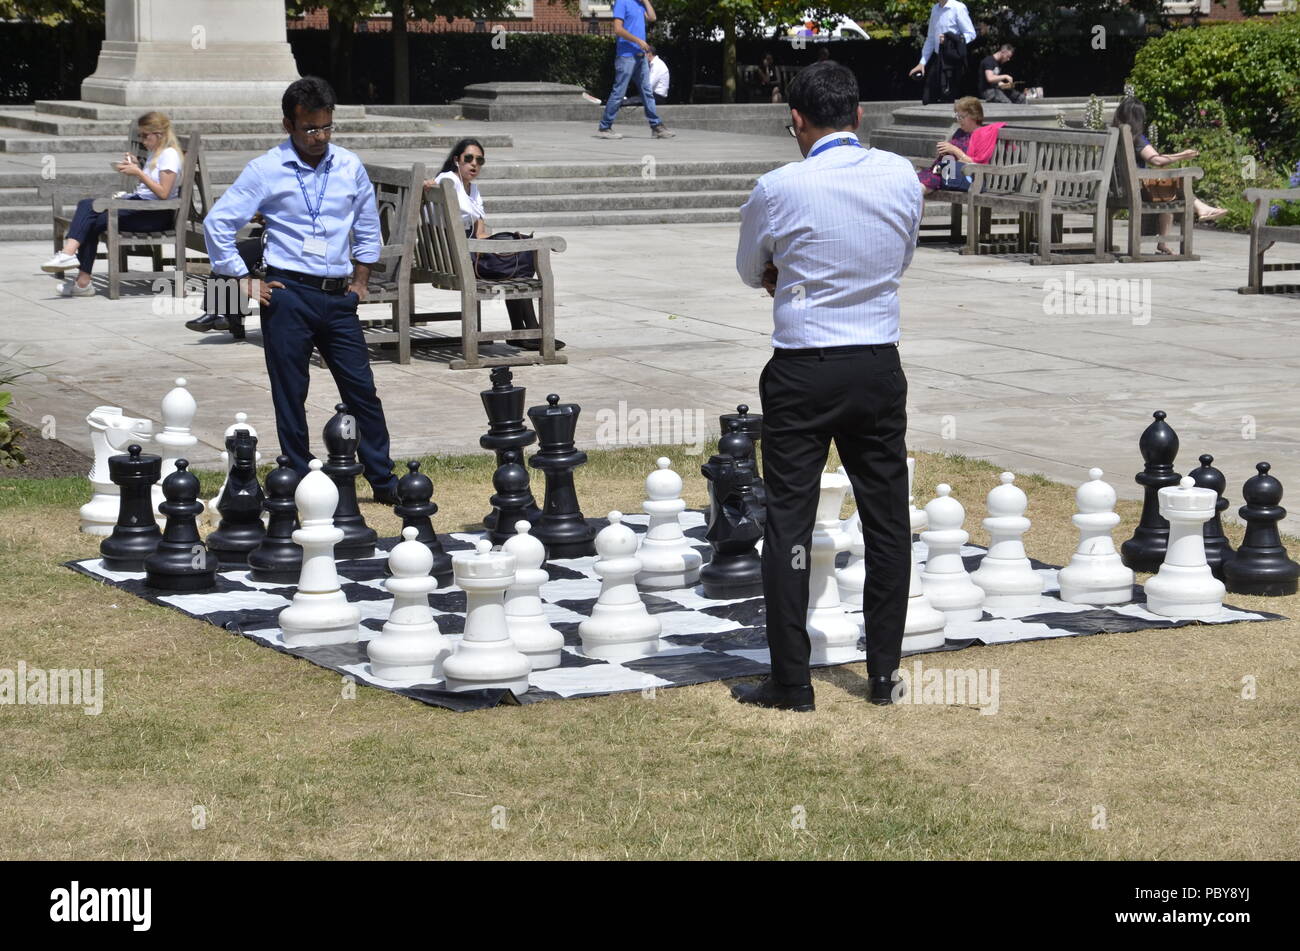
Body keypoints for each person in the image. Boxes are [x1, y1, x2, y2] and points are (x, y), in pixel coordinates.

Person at [733, 61, 922, 712]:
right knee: (887, 519)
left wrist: (786, 277)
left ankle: (791, 684)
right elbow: (900, 257)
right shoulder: (900, 174)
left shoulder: (778, 184)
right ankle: (883, 674)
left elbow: (748, 268)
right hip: (875, 361)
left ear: (796, 121)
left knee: (787, 522)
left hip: (804, 364)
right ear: (859, 115)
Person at [203, 76, 399, 503]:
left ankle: (384, 479)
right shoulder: (265, 169)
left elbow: (367, 224)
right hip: (287, 293)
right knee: (291, 390)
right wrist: (242, 279)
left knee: (361, 389)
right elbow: (217, 223)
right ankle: (297, 474)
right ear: (288, 125)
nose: (320, 137)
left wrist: (362, 280)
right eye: (310, 129)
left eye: (327, 127)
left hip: (338, 295)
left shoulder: (348, 165)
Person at [423, 138, 564, 352]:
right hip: (455, 259)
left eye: (479, 160)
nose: (474, 164)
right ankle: (530, 331)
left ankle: (524, 332)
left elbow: (480, 232)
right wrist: (428, 185)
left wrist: (497, 249)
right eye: (468, 159)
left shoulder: (472, 189)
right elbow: (436, 186)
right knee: (519, 264)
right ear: (456, 160)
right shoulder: (447, 180)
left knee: (514, 260)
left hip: (463, 252)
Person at [40, 111, 183, 297]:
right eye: (140, 136)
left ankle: (74, 265)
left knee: (90, 213)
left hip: (155, 214)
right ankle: (77, 272)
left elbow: (163, 193)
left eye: (145, 136)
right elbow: (151, 187)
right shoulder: (156, 153)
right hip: (141, 206)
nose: (142, 140)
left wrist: (138, 174)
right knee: (88, 209)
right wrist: (137, 168)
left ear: (159, 134)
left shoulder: (169, 155)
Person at [1111, 97, 1227, 254]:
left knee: (1168, 188)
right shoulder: (1136, 138)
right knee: (1172, 190)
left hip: (1114, 190)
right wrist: (1183, 155)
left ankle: (1199, 211)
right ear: (1139, 118)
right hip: (1134, 191)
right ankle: (1201, 209)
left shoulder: (1112, 134)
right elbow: (1157, 160)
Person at [596, 0, 675, 140]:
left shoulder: (639, 4)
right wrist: (638, 41)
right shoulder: (621, 2)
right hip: (626, 56)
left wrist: (645, 1)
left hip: (640, 57)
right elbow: (618, 29)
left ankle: (656, 127)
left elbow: (652, 18)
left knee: (647, 92)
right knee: (619, 92)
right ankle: (605, 127)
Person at [916, 96, 1005, 196]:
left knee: (920, 186)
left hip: (968, 178)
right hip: (945, 172)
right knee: (914, 181)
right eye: (957, 117)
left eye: (962, 117)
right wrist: (944, 152)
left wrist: (954, 150)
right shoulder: (960, 132)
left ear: (974, 115)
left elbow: (977, 163)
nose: (959, 120)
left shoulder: (983, 134)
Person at [908, 0, 976, 105]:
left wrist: (950, 40)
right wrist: (922, 63)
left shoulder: (958, 7)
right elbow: (930, 38)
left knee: (947, 96)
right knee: (928, 97)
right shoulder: (935, 9)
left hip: (952, 60)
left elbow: (970, 34)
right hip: (939, 58)